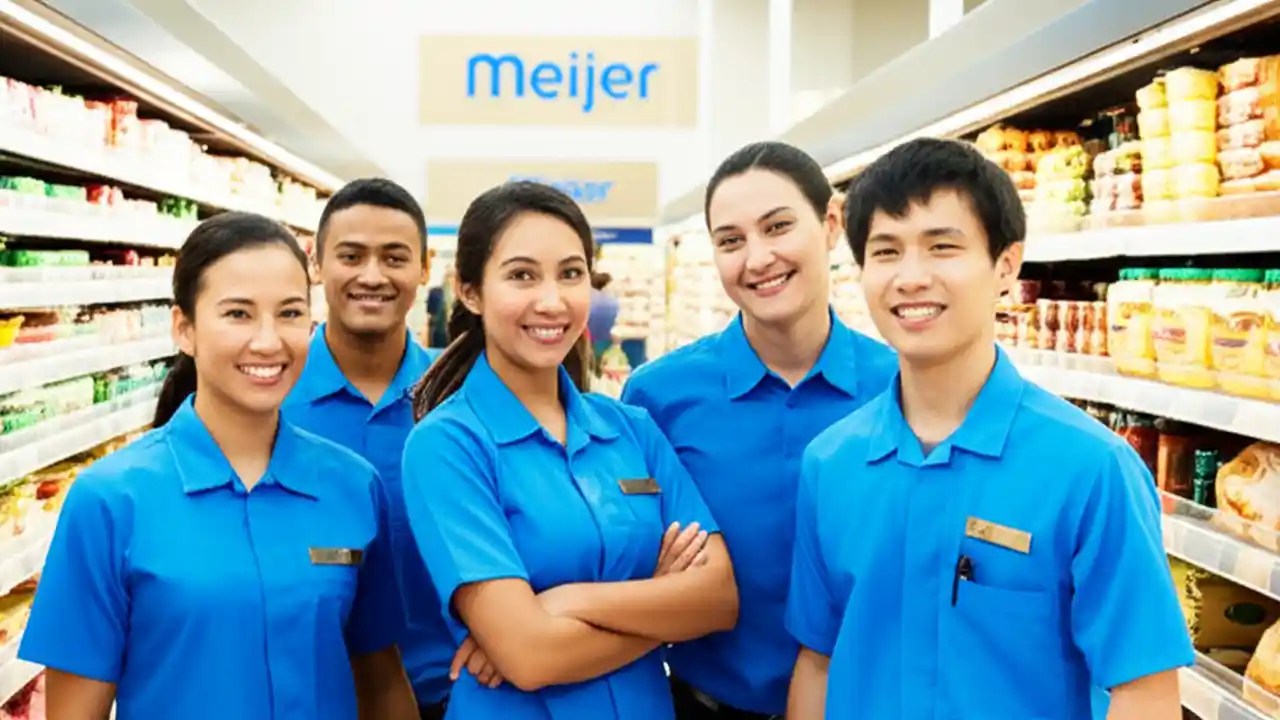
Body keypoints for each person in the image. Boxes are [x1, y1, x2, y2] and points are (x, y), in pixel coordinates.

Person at [785, 137, 1194, 720]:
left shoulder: (1089, 468)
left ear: (1006, 265)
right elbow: (819, 660)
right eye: (886, 252)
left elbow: (1144, 692)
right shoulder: (831, 463)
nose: (911, 277)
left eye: (942, 247)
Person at [19, 212, 417, 719]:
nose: (269, 341)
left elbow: (380, 680)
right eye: (238, 314)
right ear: (184, 328)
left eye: (290, 313)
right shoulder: (111, 500)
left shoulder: (353, 485)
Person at [401, 180, 739, 719]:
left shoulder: (632, 428)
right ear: (469, 291)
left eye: (571, 273)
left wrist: (563, 602)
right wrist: (662, 605)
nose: (552, 300)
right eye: (521, 275)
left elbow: (719, 599)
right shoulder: (446, 446)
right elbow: (531, 657)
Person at [620, 141, 897, 719]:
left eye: (778, 227)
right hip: (704, 705)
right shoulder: (659, 396)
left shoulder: (900, 385)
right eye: (731, 241)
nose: (757, 258)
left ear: (830, 223)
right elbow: (629, 554)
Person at [281, 178, 454, 719]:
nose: (372, 276)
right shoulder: (266, 400)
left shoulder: (464, 401)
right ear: (317, 262)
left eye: (395, 257)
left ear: (424, 268)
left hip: (454, 692)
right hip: (304, 697)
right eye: (351, 255)